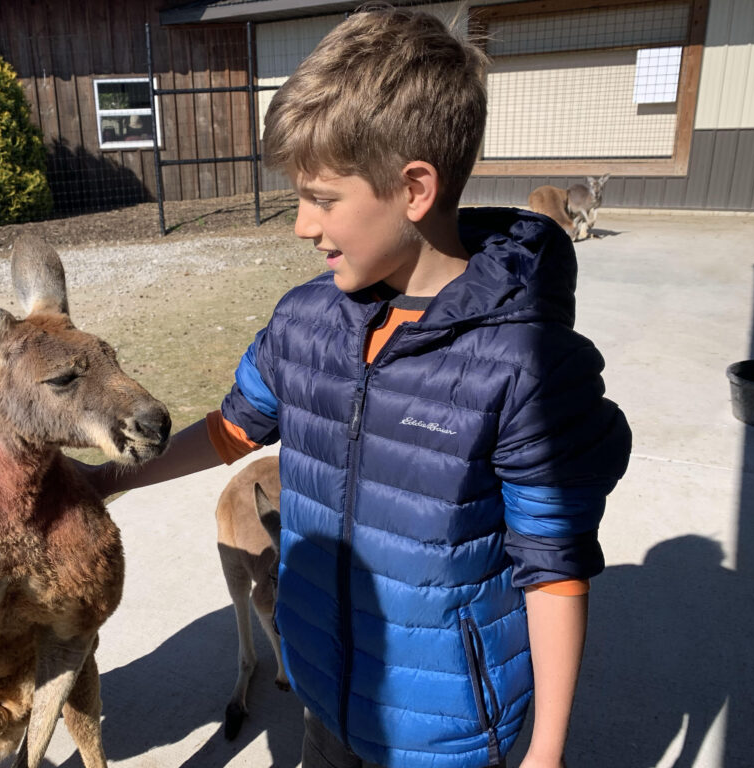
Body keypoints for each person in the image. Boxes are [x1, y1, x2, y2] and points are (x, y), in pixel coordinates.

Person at [82, 5, 631, 767]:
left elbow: (555, 565)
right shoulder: (306, 321)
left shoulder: (523, 364)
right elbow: (234, 428)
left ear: (414, 189)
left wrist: (545, 752)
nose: (303, 225)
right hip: (324, 695)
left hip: (445, 735)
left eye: (322, 198)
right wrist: (106, 479)